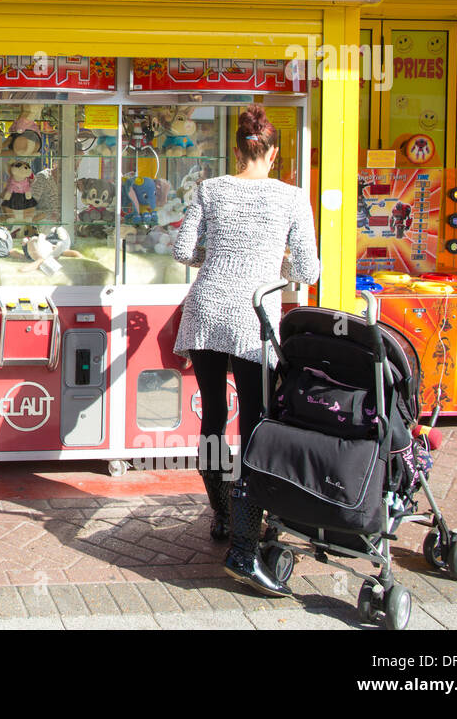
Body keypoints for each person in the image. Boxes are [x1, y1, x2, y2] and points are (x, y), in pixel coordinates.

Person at [172, 105, 320, 596]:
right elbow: (309, 269)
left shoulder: (211, 189)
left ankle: (218, 511)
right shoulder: (292, 197)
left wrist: (214, 256)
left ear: (237, 150)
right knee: (255, 421)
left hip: (207, 308)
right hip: (254, 317)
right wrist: (271, 257)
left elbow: (181, 251)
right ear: (273, 153)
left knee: (212, 414)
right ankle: (246, 526)